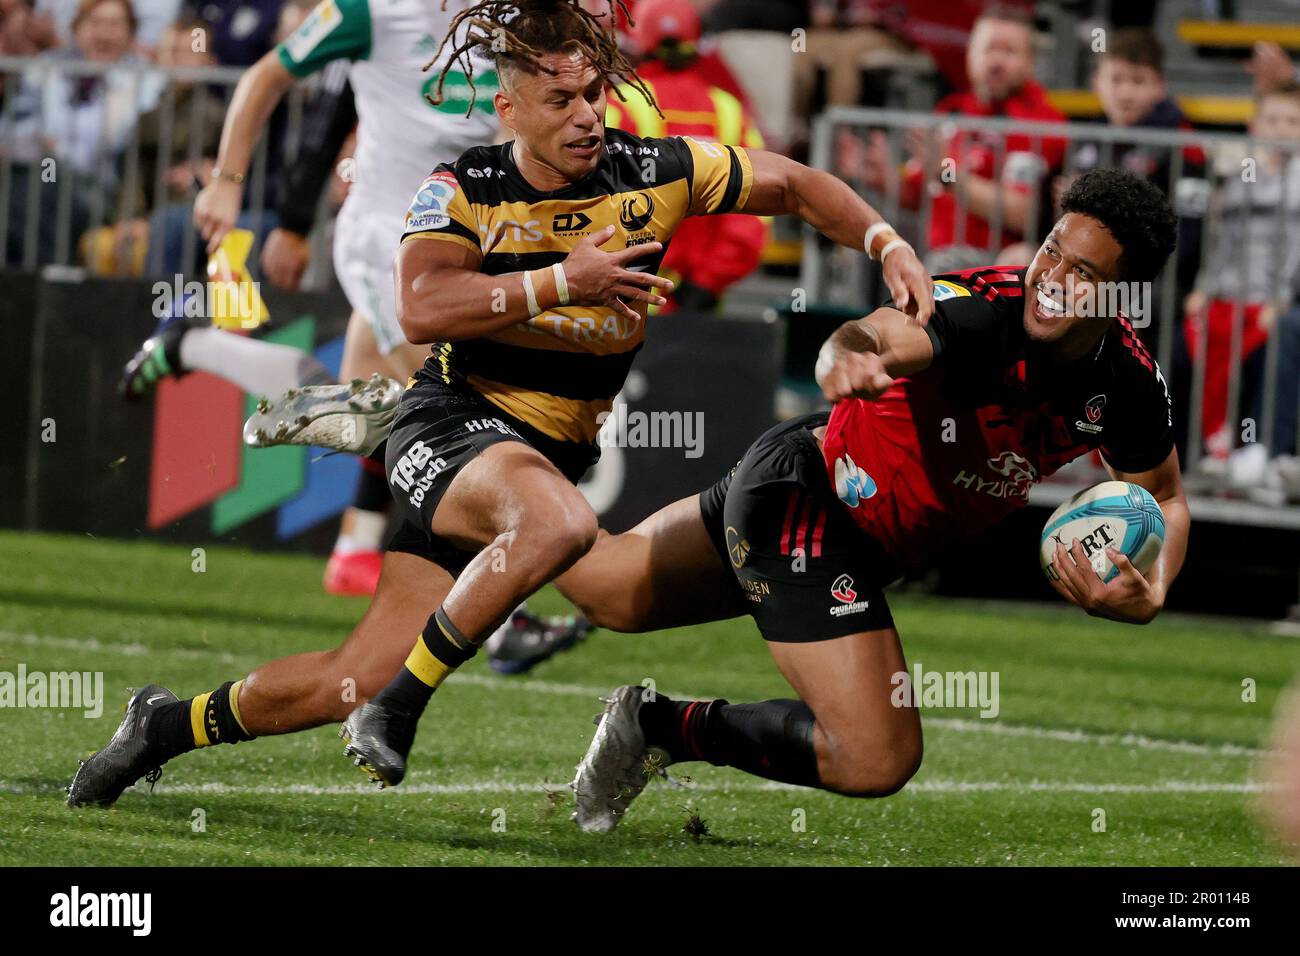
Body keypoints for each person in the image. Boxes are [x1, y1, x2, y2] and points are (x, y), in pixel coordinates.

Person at [65, 0, 933, 808]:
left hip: (541, 453)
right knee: (556, 527)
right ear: (509, 109)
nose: (588, 114)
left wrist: (886, 243)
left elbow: (794, 185)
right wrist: (565, 279)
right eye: (561, 99)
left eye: (593, 92)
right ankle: (400, 704)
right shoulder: (464, 187)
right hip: (454, 424)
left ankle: (163, 724)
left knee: (357, 672)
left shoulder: (657, 170)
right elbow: (422, 308)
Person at [568, 168, 1191, 832]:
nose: (1052, 278)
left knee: (602, 589)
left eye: (1084, 274)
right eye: (1050, 252)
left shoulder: (1126, 383)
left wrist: (1153, 584)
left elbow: (1166, 497)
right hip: (806, 498)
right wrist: (845, 354)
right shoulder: (984, 310)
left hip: (839, 521)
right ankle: (657, 722)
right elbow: (879, 333)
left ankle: (509, 539)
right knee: (876, 756)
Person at [117, 0, 502, 598]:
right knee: (449, 410)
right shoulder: (366, 12)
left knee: (370, 411)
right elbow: (266, 76)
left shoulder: (506, 19)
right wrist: (228, 183)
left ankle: (193, 346)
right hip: (386, 240)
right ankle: (498, 611)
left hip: (457, 243)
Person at [838, 3, 1067, 256]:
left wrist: (948, 176)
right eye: (989, 49)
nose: (997, 61)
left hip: (997, 268)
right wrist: (883, 178)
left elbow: (1025, 214)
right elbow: (920, 195)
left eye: (1009, 51)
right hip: (939, 261)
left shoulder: (1042, 122)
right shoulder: (951, 111)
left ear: (1030, 60)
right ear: (970, 54)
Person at [1182, 83, 1300, 486]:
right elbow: (1223, 241)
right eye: (1272, 120)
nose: (1281, 129)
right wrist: (1204, 286)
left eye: (1292, 122)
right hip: (1229, 293)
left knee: (1259, 350)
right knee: (1201, 340)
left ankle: (1254, 449)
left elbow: (1296, 250)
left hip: (1270, 299)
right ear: (1254, 125)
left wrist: (1281, 298)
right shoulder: (1242, 177)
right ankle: (1215, 444)